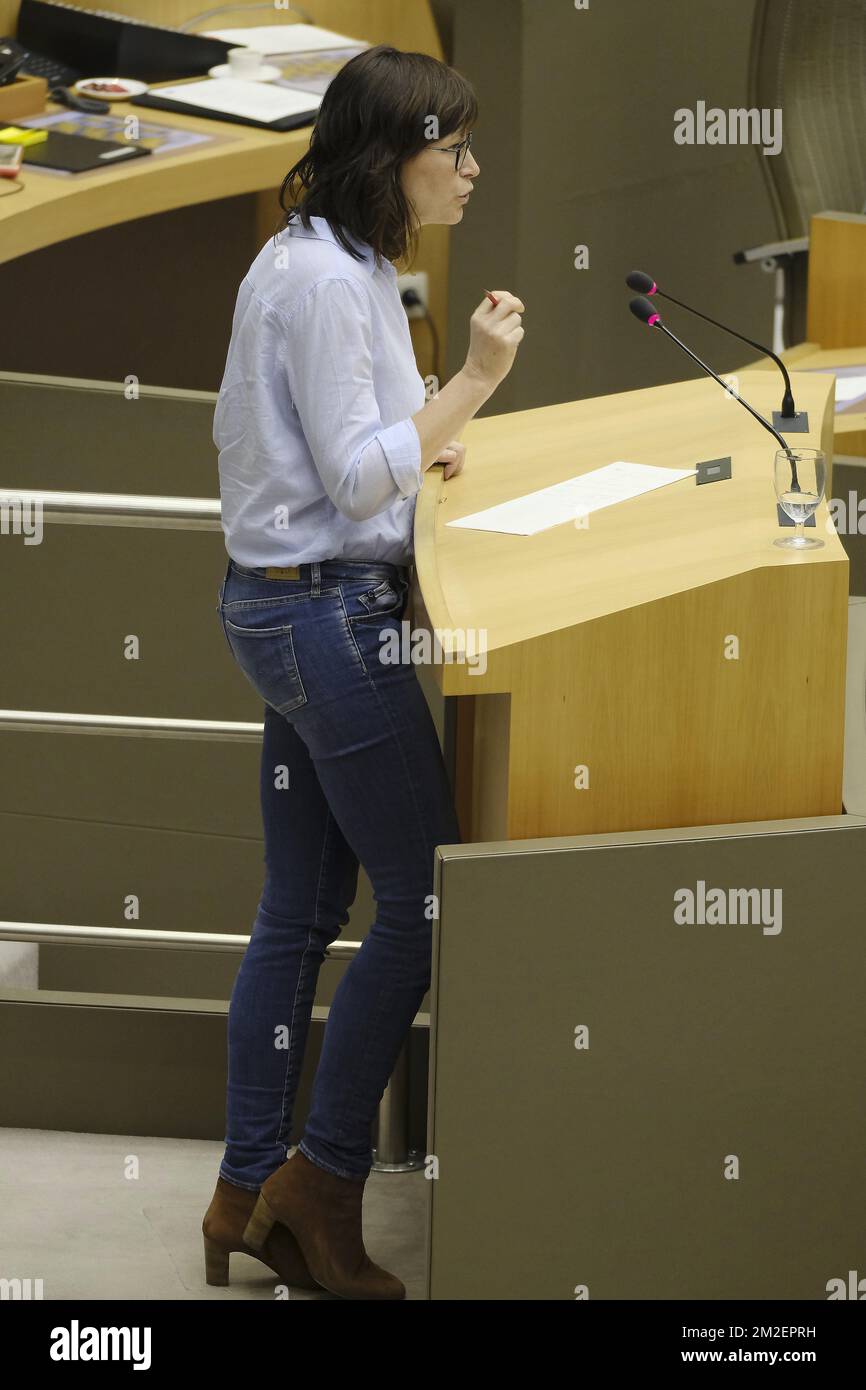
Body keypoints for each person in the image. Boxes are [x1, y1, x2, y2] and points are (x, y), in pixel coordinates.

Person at [202, 43, 524, 1300]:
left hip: (281, 608)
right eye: (455, 152)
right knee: (428, 901)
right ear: (395, 160)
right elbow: (352, 476)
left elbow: (347, 451)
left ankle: (242, 1188)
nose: (471, 170)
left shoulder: (317, 258)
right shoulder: (333, 288)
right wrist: (478, 387)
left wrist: (423, 434)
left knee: (299, 909)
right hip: (328, 621)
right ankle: (318, 1185)